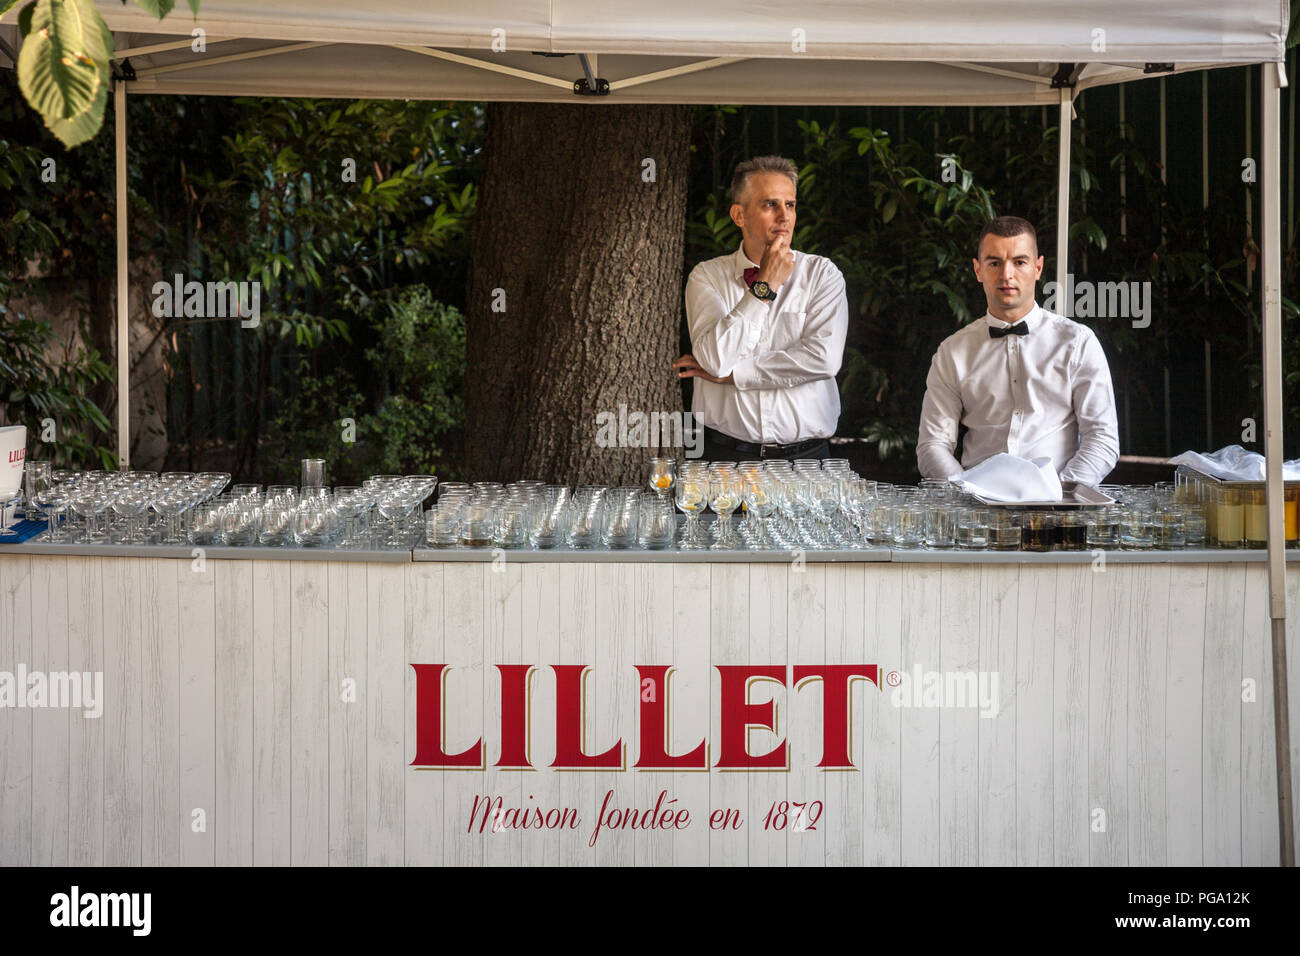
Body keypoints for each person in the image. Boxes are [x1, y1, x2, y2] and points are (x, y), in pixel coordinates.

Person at [916, 216, 1120, 486]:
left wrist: (1060, 495)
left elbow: (1102, 439)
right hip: (976, 510)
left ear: (1038, 268)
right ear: (978, 270)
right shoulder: (952, 352)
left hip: (1059, 508)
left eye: (1019, 262)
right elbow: (932, 444)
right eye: (994, 263)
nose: (1006, 275)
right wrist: (965, 490)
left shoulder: (1078, 343)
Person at [673, 156, 848, 462]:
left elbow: (824, 360)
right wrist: (763, 287)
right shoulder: (706, 277)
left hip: (807, 464)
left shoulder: (823, 275)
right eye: (770, 204)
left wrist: (736, 376)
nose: (784, 217)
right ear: (738, 215)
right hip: (722, 459)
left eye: (790, 205)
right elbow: (714, 361)